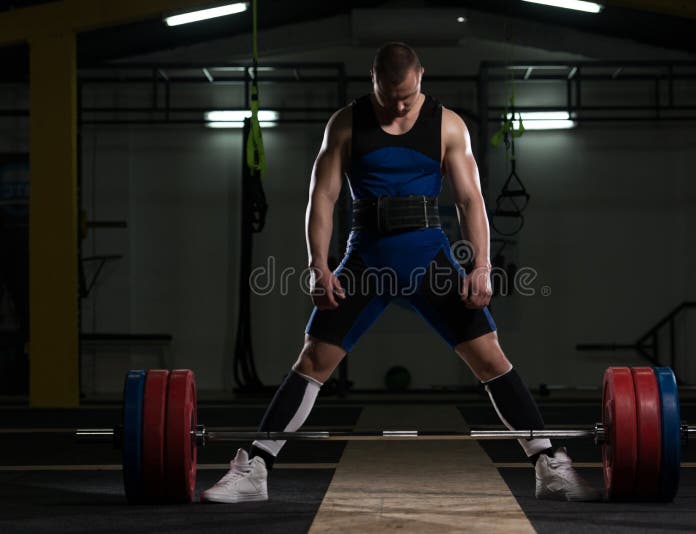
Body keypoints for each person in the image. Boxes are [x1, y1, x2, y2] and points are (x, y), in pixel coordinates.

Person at [202, 42, 599, 504]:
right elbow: (323, 197)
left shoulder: (448, 124)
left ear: (421, 78)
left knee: (490, 357)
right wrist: (318, 265)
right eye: (389, 97)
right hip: (366, 261)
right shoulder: (346, 123)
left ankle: (549, 466)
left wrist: (482, 266)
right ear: (373, 80)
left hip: (429, 260)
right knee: (312, 360)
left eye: (407, 97)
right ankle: (254, 470)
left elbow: (469, 199)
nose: (398, 106)